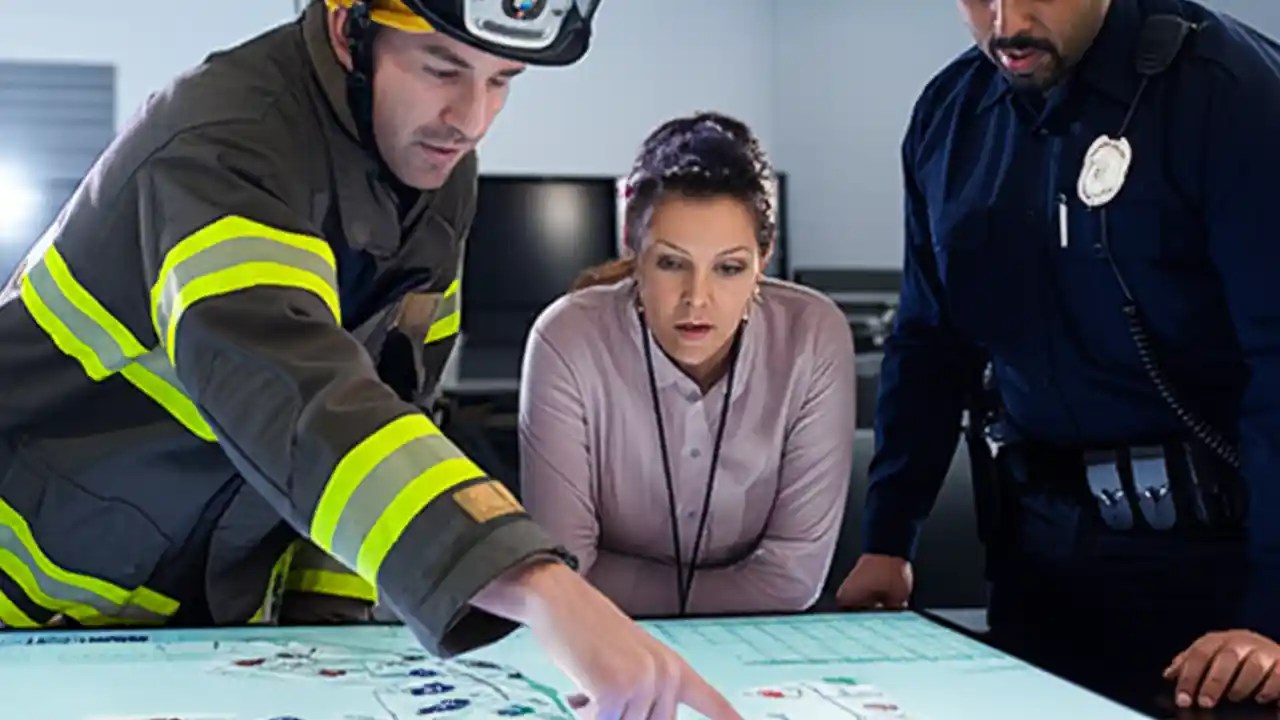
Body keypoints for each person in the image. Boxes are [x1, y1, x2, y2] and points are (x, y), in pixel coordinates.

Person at [0, 1, 743, 717]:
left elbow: (391, 400)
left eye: (502, 80)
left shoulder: (436, 172)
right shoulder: (223, 142)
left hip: (179, 620)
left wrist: (329, 623)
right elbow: (291, 392)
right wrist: (537, 584)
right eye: (442, 68)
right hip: (25, 607)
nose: (472, 119)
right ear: (348, 30)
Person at [834, 0, 1280, 711]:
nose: (1005, 20)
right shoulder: (952, 117)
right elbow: (927, 343)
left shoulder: (1228, 91)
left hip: (1216, 593)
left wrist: (1272, 618)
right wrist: (890, 538)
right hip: (1035, 576)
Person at [518, 111, 856, 619]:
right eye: (672, 263)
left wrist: (609, 580)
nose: (697, 299)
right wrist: (734, 588)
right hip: (599, 638)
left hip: (755, 642)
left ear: (763, 260)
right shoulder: (567, 338)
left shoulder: (812, 337)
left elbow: (792, 583)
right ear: (633, 250)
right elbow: (566, 572)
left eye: (729, 268)